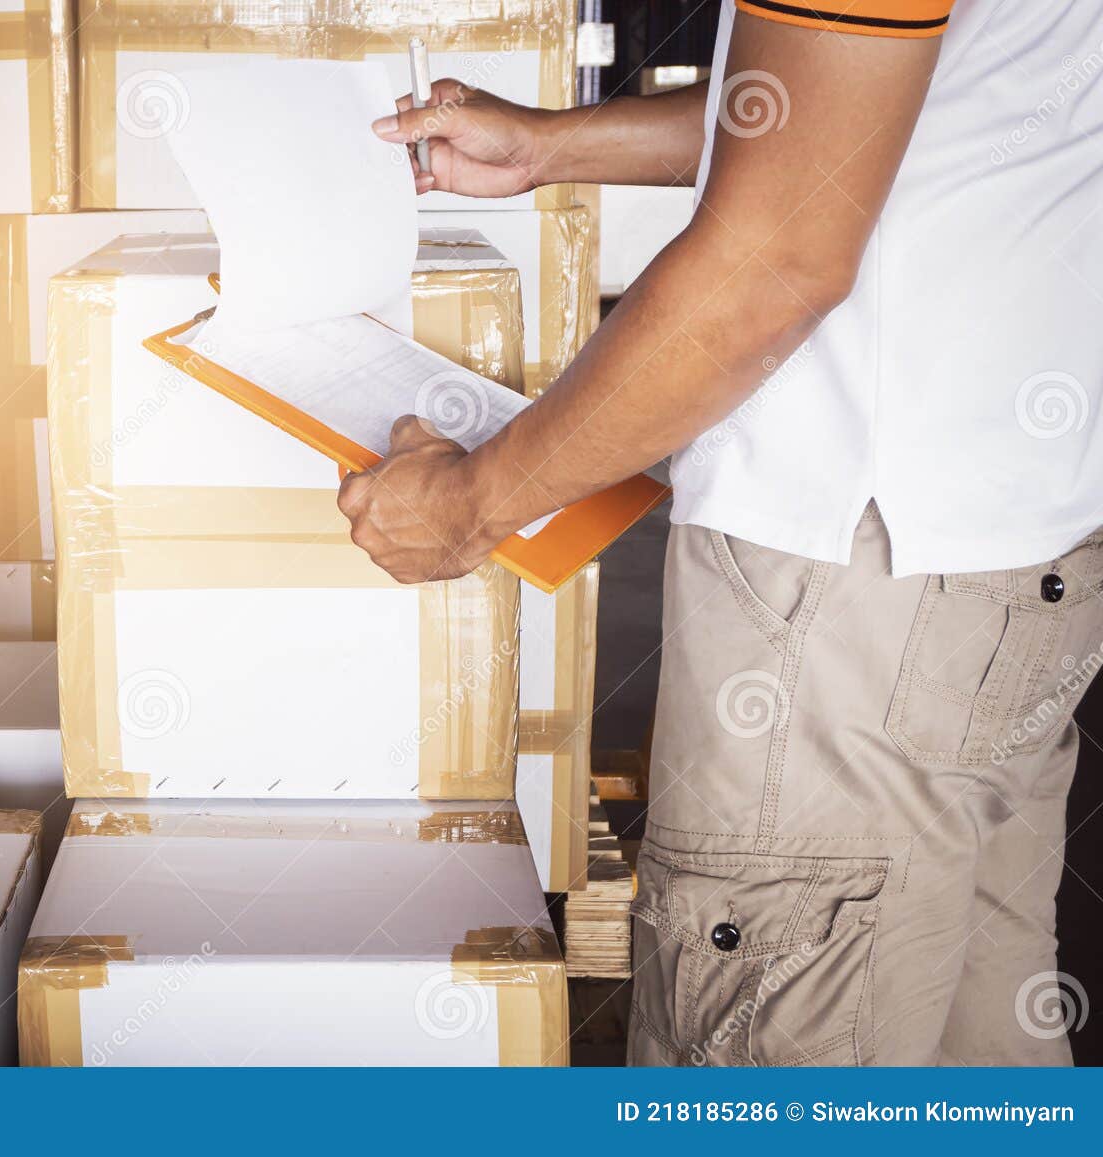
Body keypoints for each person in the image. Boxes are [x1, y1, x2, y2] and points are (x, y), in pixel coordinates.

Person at [342, 1, 1103, 1065]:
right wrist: (554, 145)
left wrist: (468, 503)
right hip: (1003, 562)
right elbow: (857, 102)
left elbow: (774, 265)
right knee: (975, 1070)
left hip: (844, 597)